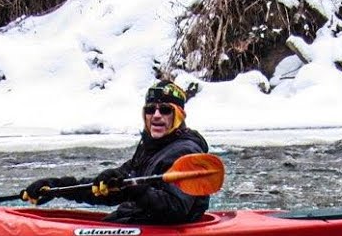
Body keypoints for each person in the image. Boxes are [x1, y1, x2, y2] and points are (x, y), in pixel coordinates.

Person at [22, 80, 210, 224]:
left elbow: (176, 208)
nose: (157, 115)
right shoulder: (150, 148)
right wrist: (57, 187)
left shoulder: (186, 152)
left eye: (165, 110)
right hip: (136, 221)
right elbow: (111, 188)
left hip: (159, 232)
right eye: (151, 109)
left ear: (178, 116)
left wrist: (132, 188)